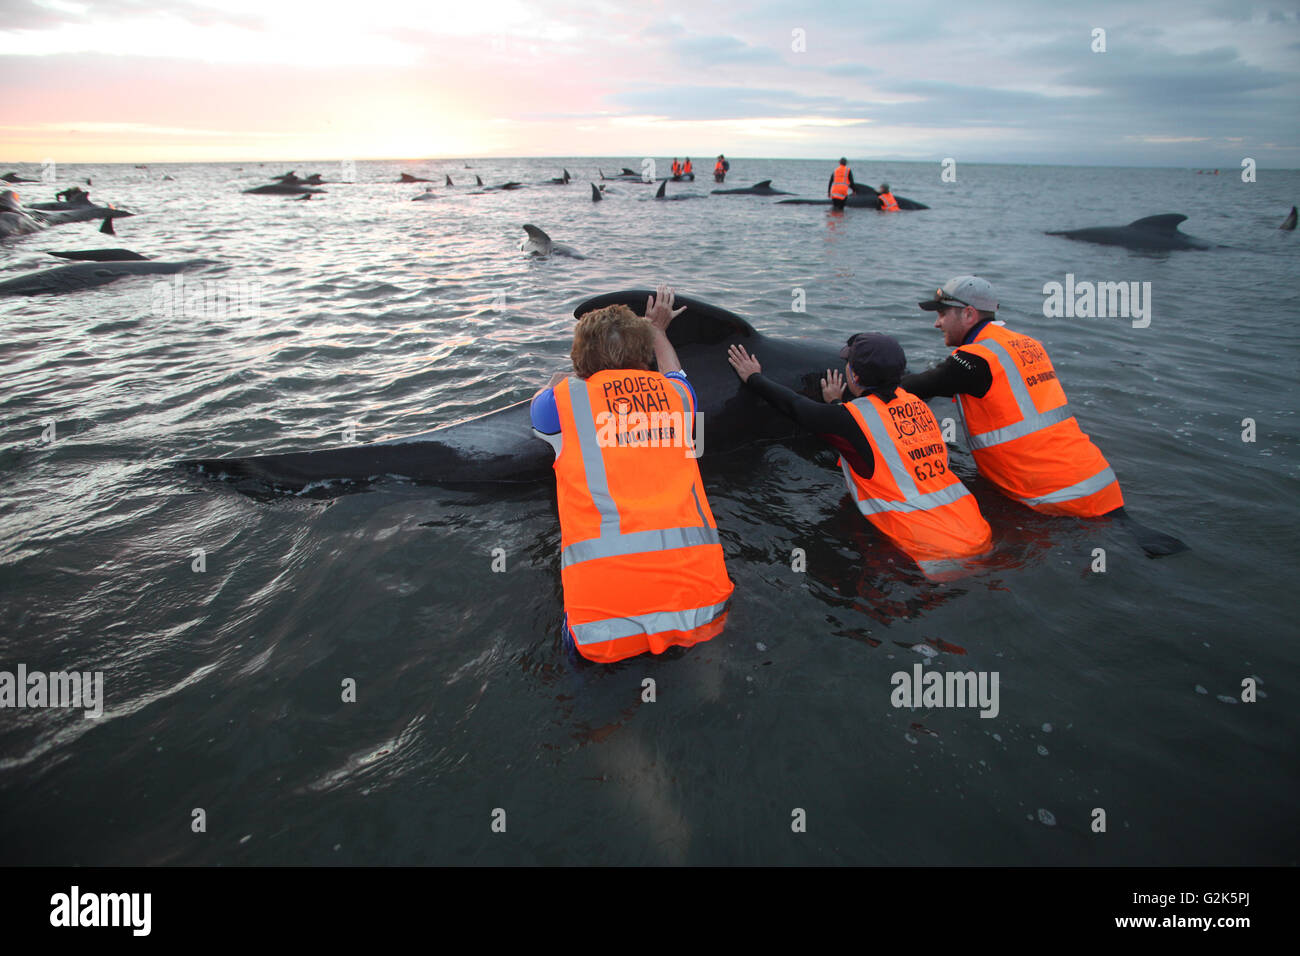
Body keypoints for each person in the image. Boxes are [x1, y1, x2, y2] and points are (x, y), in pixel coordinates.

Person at [531, 285, 734, 662]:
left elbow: (543, 404)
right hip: (700, 605)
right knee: (704, 666)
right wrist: (658, 331)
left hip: (606, 626)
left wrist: (563, 379)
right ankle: (712, 688)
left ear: (579, 359)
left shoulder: (560, 402)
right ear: (644, 356)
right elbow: (676, 372)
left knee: (596, 703)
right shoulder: (679, 398)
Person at [726, 333, 993, 577]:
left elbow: (795, 406)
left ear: (853, 376)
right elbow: (878, 429)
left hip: (932, 551)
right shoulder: (915, 403)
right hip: (978, 532)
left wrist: (754, 377)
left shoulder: (848, 421)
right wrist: (835, 405)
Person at [903, 276, 1123, 517]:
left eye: (942, 314)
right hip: (1100, 483)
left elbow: (917, 386)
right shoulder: (1027, 344)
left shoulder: (976, 358)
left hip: (1057, 498)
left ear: (968, 314)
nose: (937, 323)